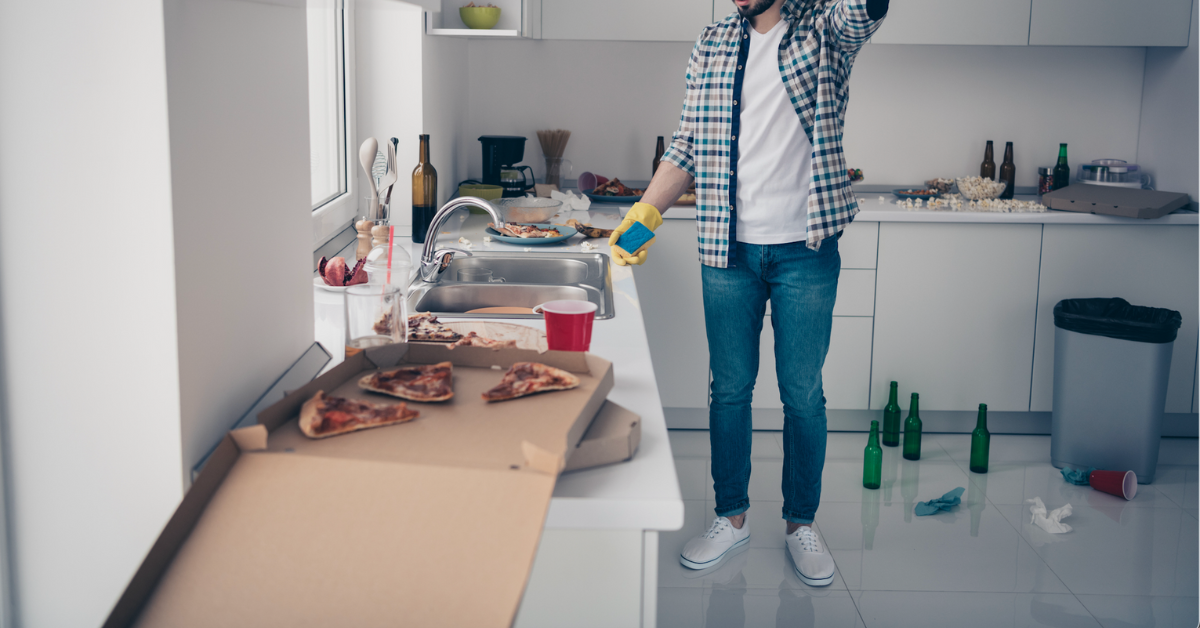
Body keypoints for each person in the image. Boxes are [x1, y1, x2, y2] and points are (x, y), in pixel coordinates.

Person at [607, 0, 889, 586]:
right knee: (729, 389)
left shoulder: (825, 31)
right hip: (727, 250)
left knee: (803, 394)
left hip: (805, 250)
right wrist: (643, 216)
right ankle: (731, 518)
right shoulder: (711, 44)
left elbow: (864, 12)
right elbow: (688, 144)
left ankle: (800, 523)